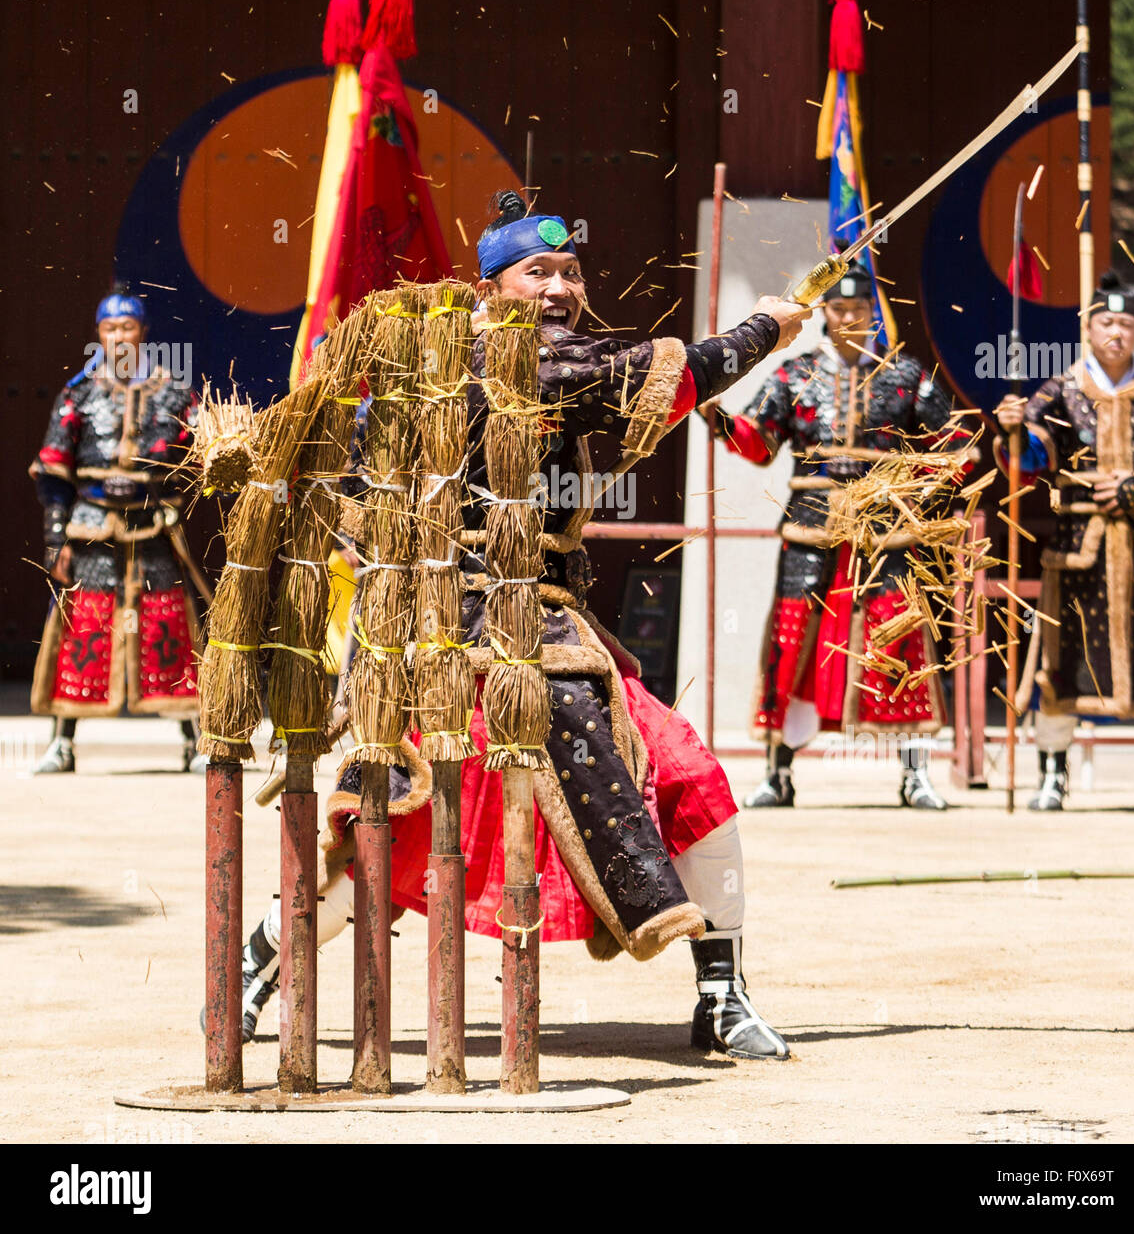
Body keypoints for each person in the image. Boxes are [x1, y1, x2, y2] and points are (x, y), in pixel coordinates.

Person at [228, 191, 813, 1060]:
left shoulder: (499, 360)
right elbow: (673, 373)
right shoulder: (504, 361)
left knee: (690, 776)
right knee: (376, 831)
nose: (559, 288)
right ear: (489, 286)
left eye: (571, 272)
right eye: (536, 272)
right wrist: (766, 327)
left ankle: (722, 997)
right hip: (449, 639)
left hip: (547, 628)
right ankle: (256, 972)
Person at [701, 260, 970, 811]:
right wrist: (717, 416)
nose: (850, 317)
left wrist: (912, 489)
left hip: (886, 524)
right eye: (840, 308)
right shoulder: (793, 373)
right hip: (810, 520)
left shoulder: (906, 373)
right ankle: (778, 772)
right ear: (825, 313)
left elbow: (954, 445)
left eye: (859, 309)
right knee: (791, 637)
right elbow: (759, 442)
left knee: (897, 635)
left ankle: (915, 773)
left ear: (873, 314)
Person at [994, 271, 1134, 810]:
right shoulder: (1061, 389)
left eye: (1126, 324)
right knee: (1062, 658)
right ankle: (1052, 773)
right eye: (1106, 322)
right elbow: (1031, 461)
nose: (1116, 332)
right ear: (1088, 329)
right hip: (1077, 548)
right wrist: (1013, 430)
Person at [28, 288, 206, 775]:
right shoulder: (78, 394)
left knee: (168, 624)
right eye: (110, 328)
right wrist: (56, 540)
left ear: (143, 333)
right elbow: (53, 470)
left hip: (152, 527)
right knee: (82, 626)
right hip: (91, 531)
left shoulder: (173, 392)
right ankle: (62, 742)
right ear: (99, 334)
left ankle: (193, 739)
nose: (119, 336)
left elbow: (202, 455)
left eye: (128, 327)